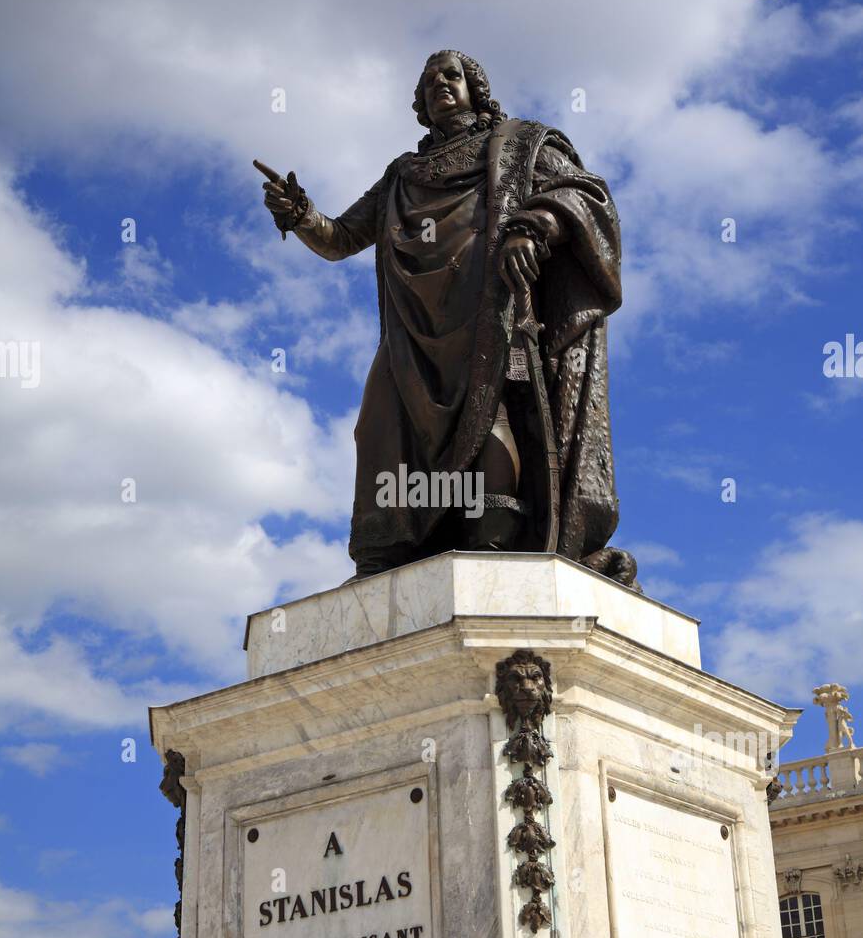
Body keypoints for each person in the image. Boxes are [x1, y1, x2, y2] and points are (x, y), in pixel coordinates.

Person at [256, 50, 637, 587]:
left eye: (452, 75)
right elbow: (340, 238)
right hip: (413, 333)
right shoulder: (403, 175)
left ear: (476, 87)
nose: (441, 84)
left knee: (493, 424)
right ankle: (383, 555)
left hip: (493, 317)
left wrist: (537, 226)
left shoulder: (520, 144)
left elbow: (584, 194)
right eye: (430, 79)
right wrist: (299, 215)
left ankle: (492, 541)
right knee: (380, 428)